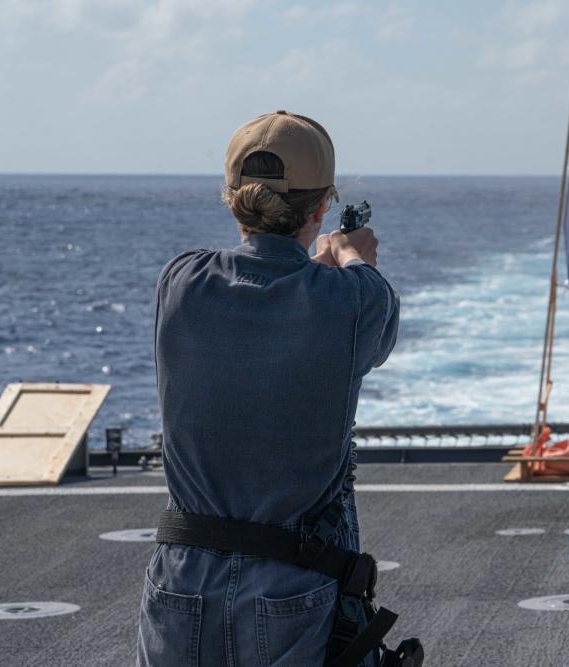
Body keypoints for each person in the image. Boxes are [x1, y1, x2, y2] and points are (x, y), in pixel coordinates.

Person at [136, 111, 399, 666]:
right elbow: (368, 314)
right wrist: (349, 258)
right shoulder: (353, 301)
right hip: (292, 585)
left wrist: (316, 271)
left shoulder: (179, 281)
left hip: (181, 578)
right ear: (322, 204)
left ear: (233, 198)